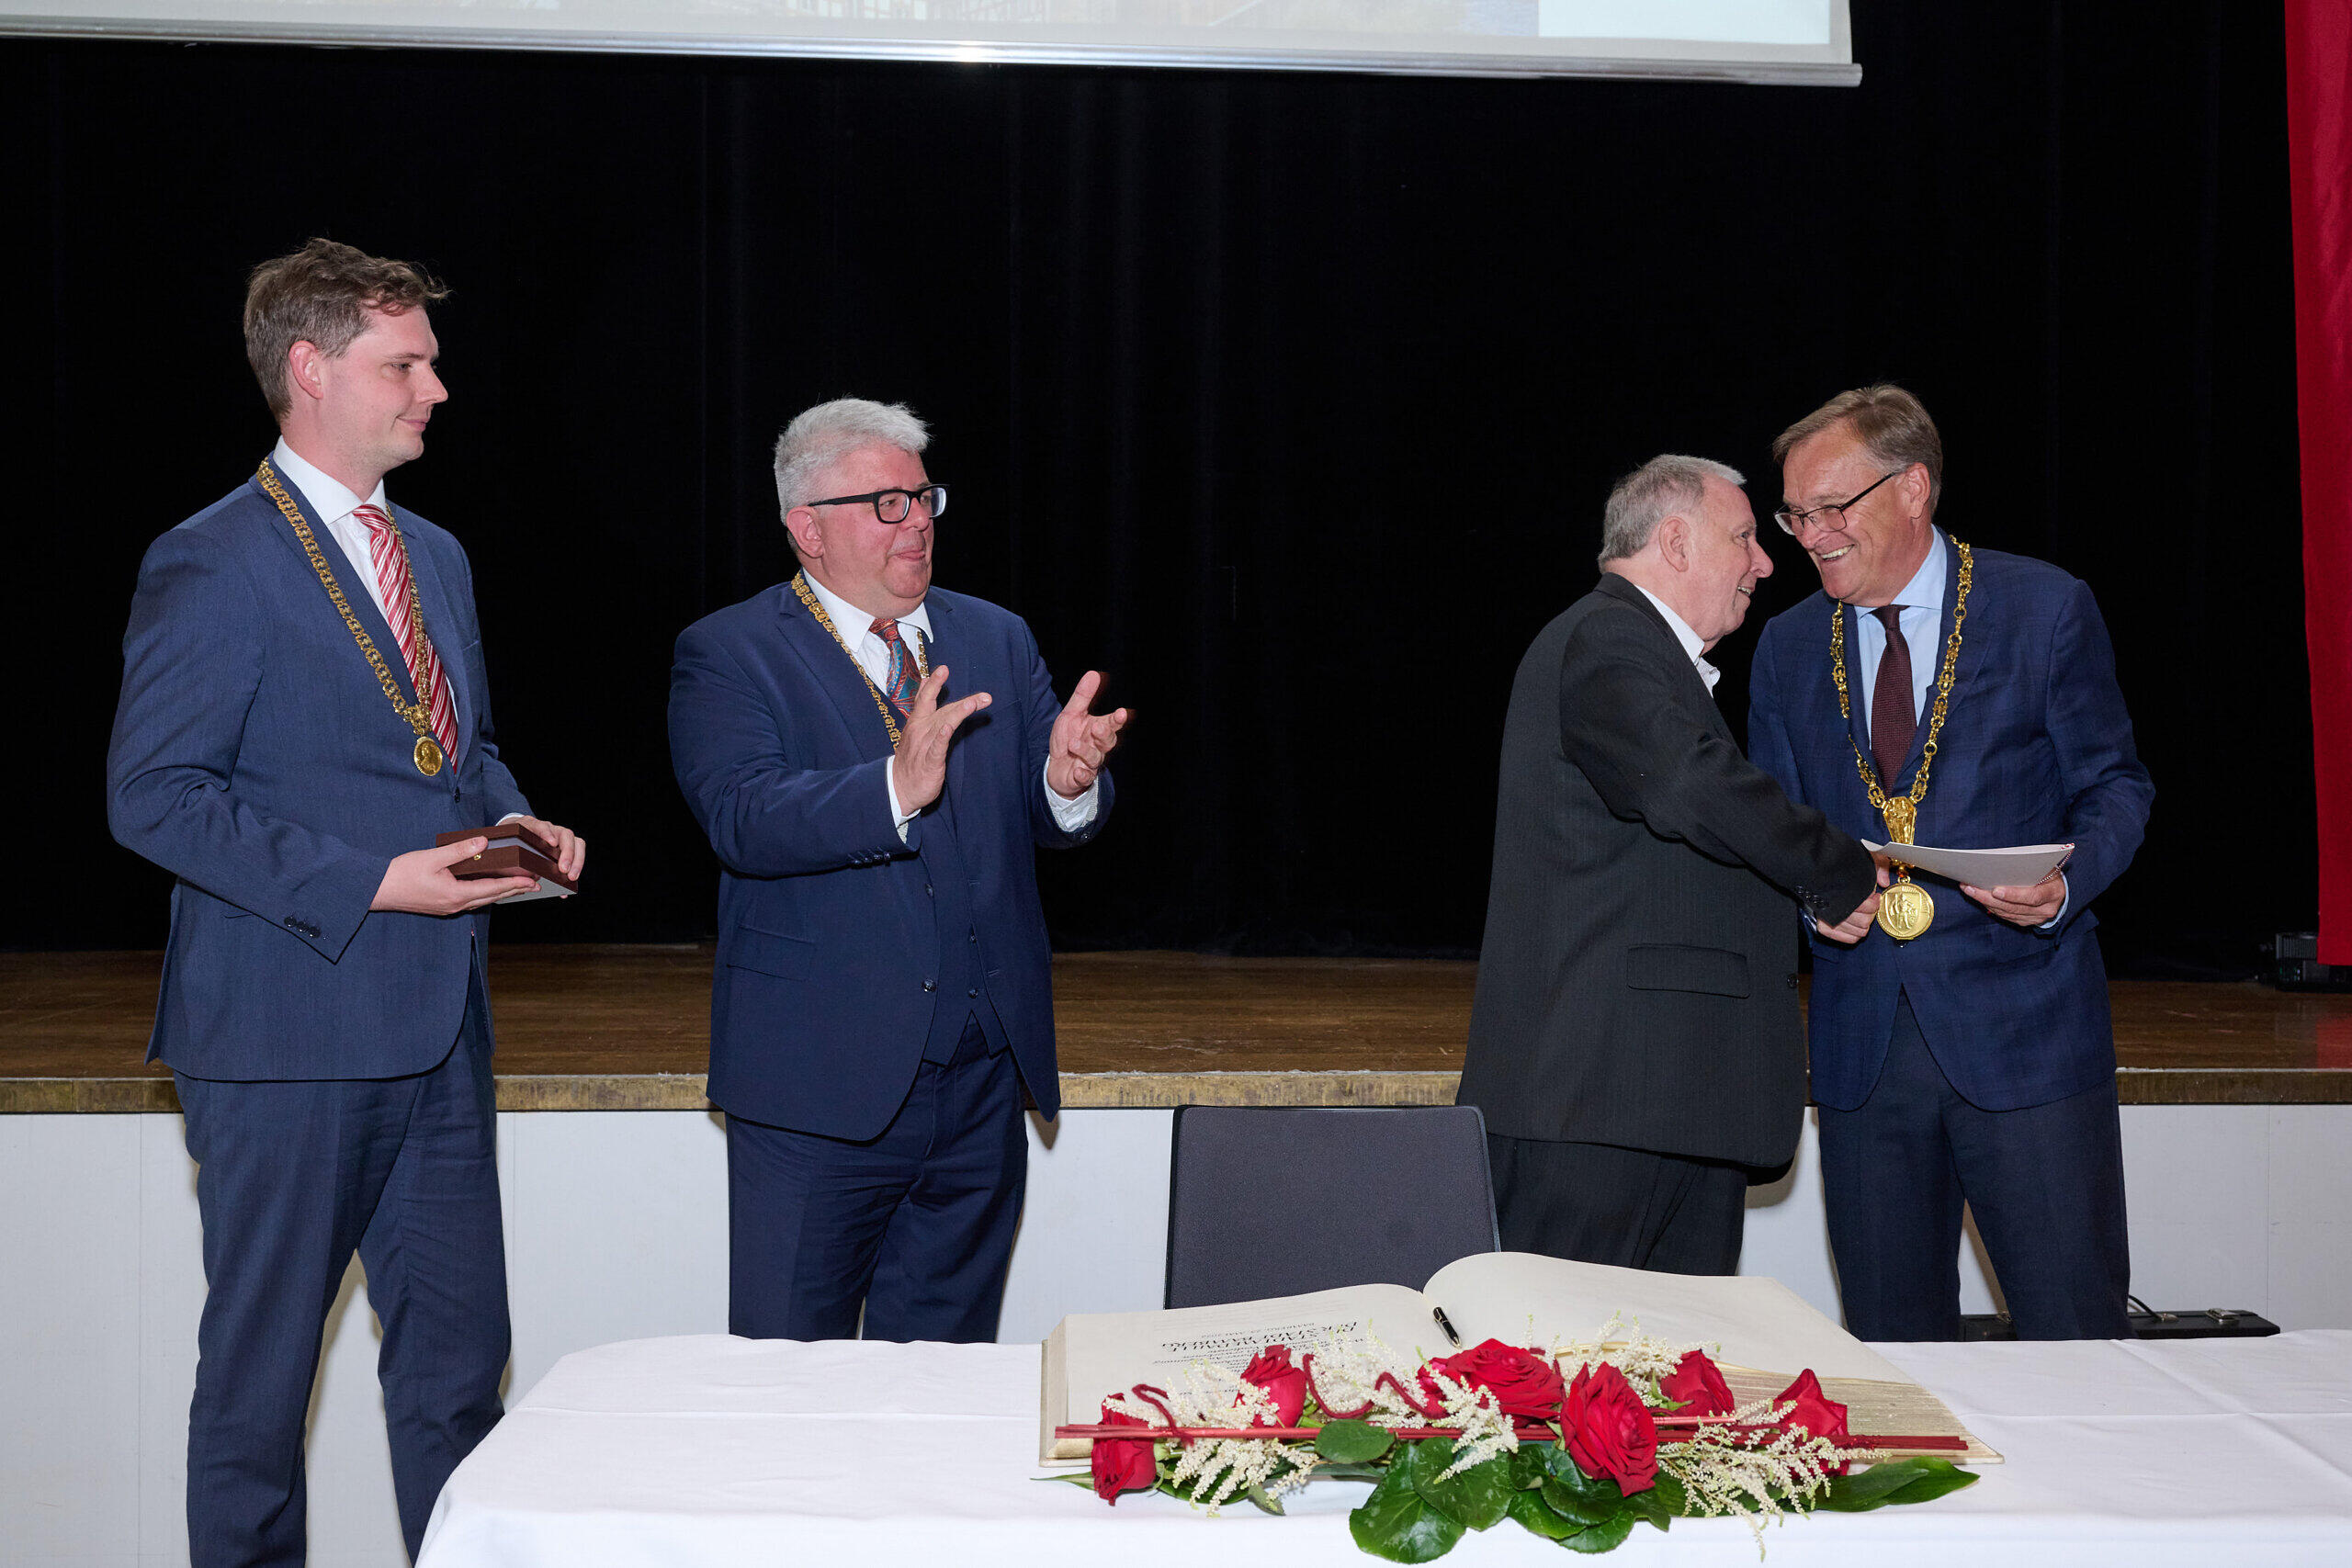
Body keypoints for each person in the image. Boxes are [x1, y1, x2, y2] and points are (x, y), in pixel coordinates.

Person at [106, 238, 584, 1566]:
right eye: (406, 361)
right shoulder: (211, 559)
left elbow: (454, 748)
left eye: (429, 359)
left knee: (455, 1384)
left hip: (438, 1032)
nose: (436, 385)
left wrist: (512, 828)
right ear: (309, 369)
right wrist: (376, 880)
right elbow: (152, 793)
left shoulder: (432, 552)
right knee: (259, 1402)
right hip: (282, 1042)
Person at [668, 397, 1127, 1343]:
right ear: (806, 528)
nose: (916, 521)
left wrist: (1066, 779)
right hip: (816, 1094)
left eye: (923, 497)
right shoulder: (730, 652)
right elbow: (743, 817)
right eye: (886, 503)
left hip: (979, 1089)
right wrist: (894, 786)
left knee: (941, 1403)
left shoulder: (992, 635)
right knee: (787, 1398)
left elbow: (1051, 816)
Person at [1748, 384, 2153, 1339]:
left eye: (1831, 508)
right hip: (1862, 1056)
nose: (1810, 534)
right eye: (1795, 513)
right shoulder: (1787, 646)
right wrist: (1814, 897)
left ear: (1913, 487)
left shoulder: (2043, 608)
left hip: (2029, 1044)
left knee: (2076, 1347)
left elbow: (2117, 788)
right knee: (1895, 1367)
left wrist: (2060, 888)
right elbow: (1772, 824)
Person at [1457, 455, 1883, 1276]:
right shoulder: (1607, 637)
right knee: (1566, 1382)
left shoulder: (1630, 648)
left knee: (1664, 1395)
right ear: (1677, 543)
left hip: (1662, 1106)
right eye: (1746, 537)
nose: (1766, 561)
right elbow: (1691, 784)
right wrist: (1836, 867)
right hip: (1605, 1115)